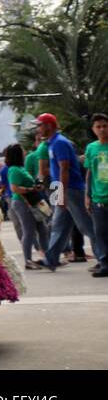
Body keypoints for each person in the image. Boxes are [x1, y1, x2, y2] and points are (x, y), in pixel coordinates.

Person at [41, 113, 96, 271]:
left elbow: (64, 168)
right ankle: (50, 260)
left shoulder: (59, 143)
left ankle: (103, 256)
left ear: (49, 125)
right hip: (61, 188)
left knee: (87, 226)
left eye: (40, 125)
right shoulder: (51, 143)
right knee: (58, 225)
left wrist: (62, 193)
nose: (38, 129)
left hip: (70, 189)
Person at [4, 144, 53, 271]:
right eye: (22, 151)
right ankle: (28, 261)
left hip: (33, 201)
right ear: (17, 154)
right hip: (23, 203)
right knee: (29, 231)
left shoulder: (21, 168)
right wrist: (31, 189)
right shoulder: (14, 169)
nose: (25, 152)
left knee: (42, 229)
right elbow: (14, 188)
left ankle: (49, 257)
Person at [85, 113, 108, 278]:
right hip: (98, 198)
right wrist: (87, 195)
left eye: (105, 126)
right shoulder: (91, 148)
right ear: (93, 129)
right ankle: (105, 263)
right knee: (100, 233)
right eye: (98, 127)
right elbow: (89, 172)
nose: (102, 129)